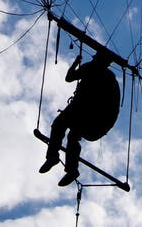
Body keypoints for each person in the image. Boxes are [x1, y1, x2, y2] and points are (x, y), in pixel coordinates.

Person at [39, 47, 121, 187]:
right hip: (84, 112)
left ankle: (67, 167)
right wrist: (76, 63)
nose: (94, 59)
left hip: (90, 114)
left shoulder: (102, 74)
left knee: (70, 133)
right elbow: (69, 78)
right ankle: (56, 159)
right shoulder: (97, 71)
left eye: (96, 58)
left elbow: (69, 77)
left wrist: (77, 63)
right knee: (62, 127)